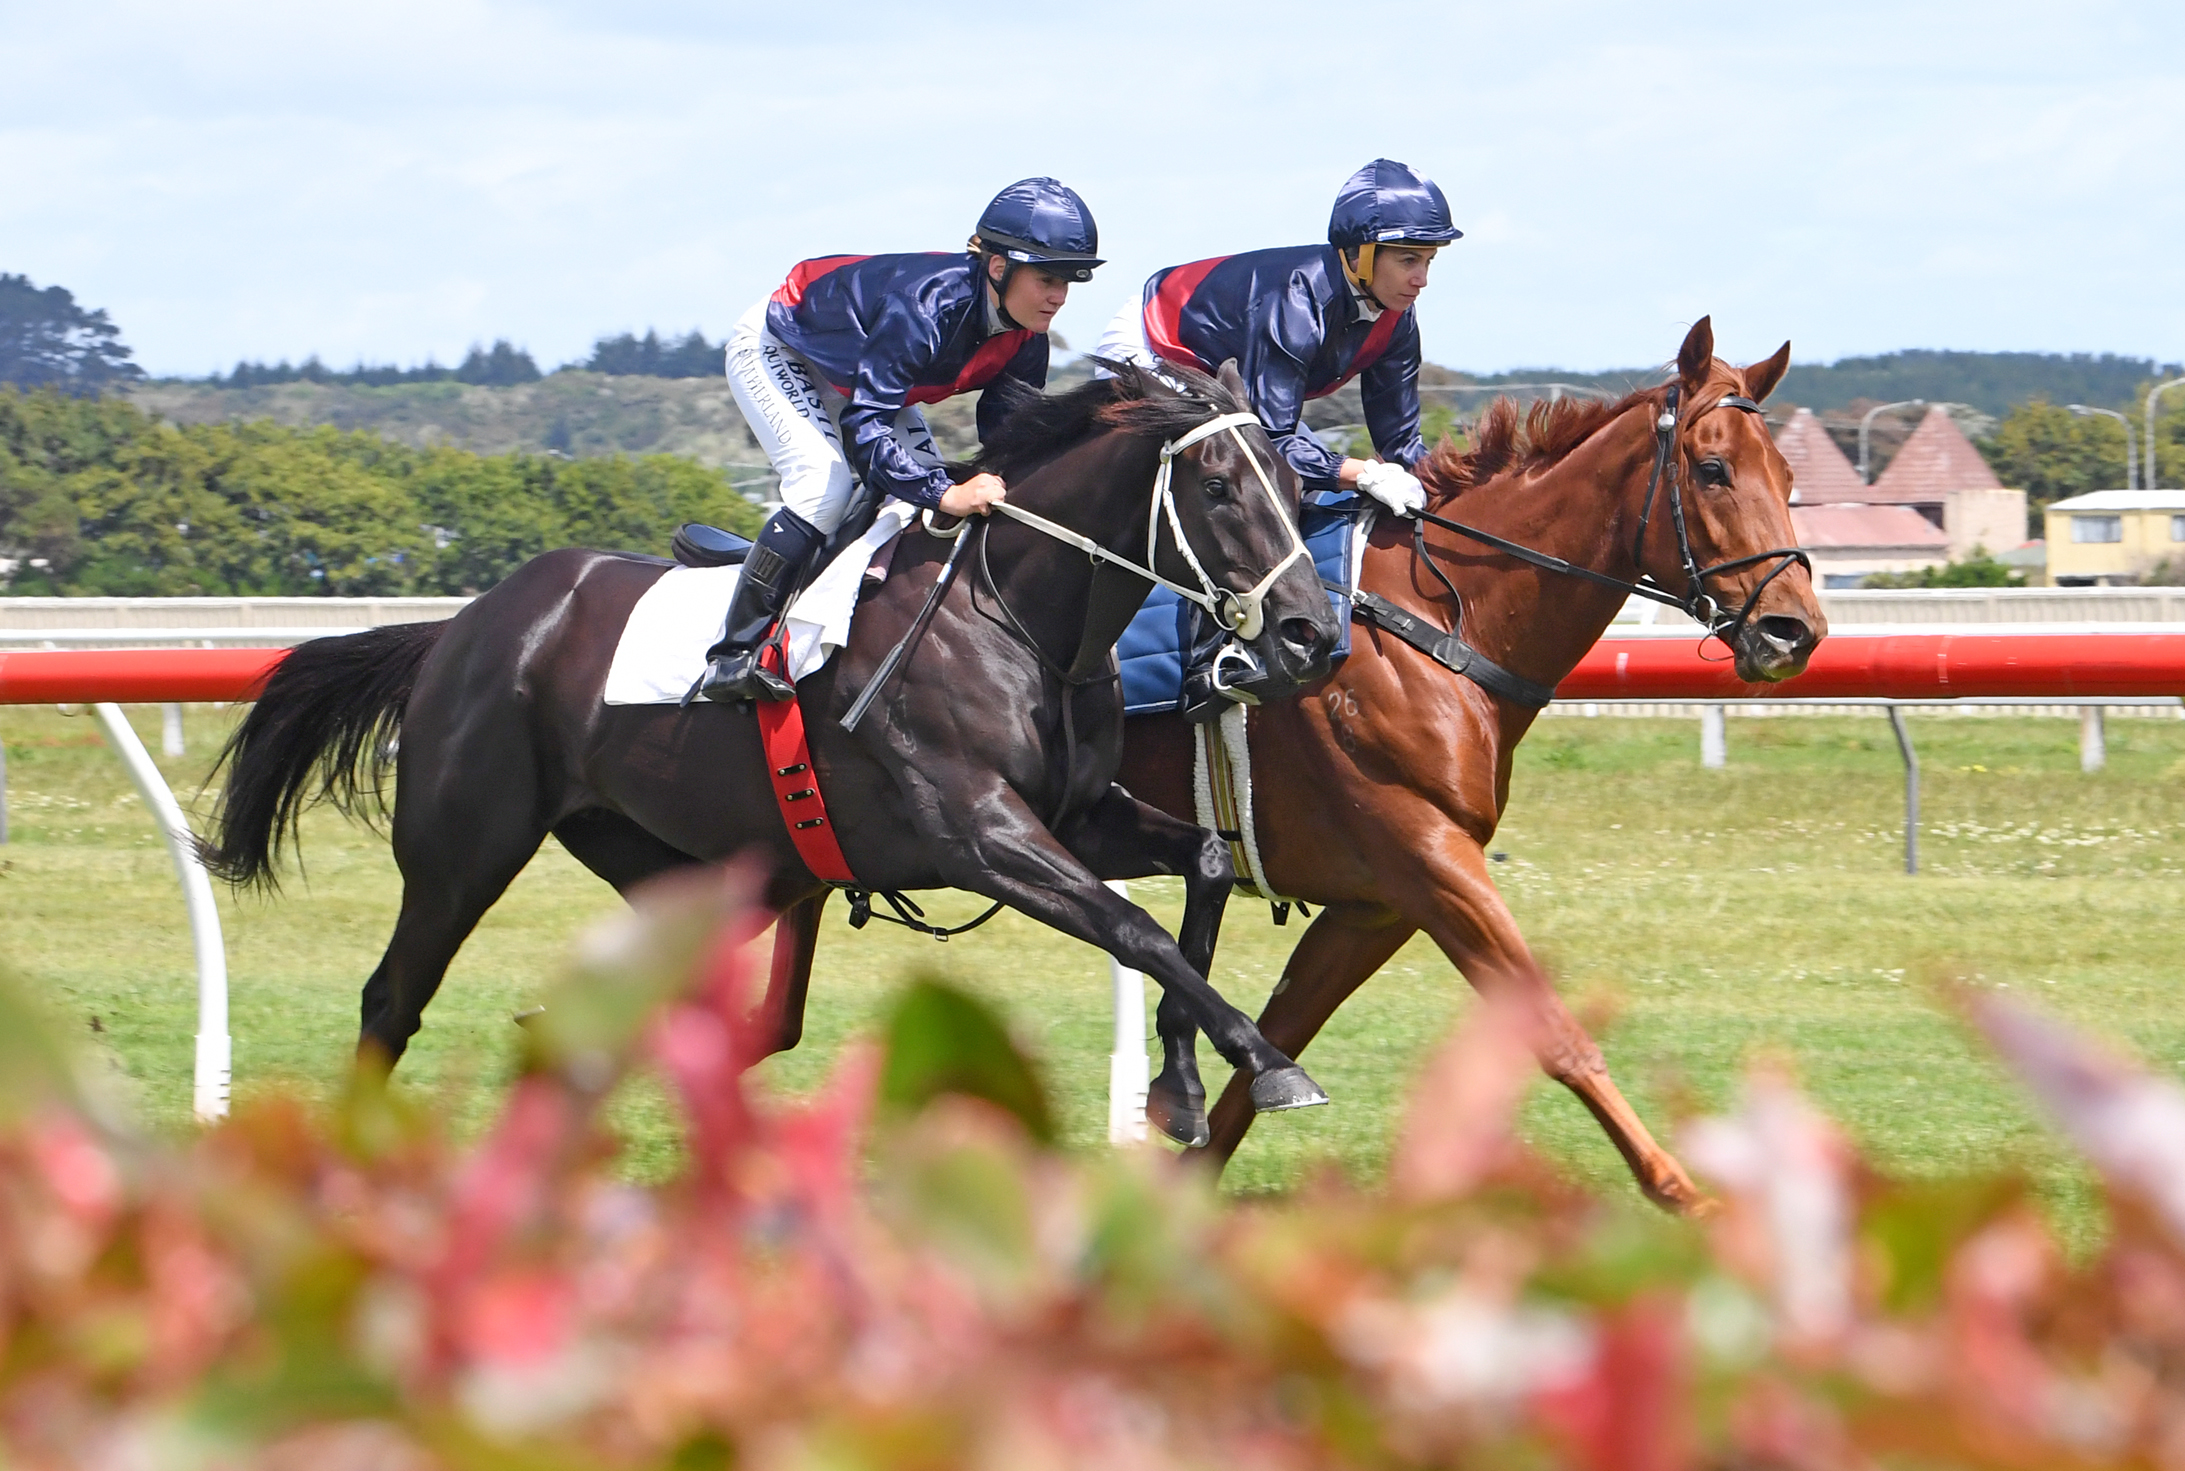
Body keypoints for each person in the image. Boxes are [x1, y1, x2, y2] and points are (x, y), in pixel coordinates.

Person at [695, 178, 1103, 703]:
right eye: (1047, 278)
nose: (1059, 297)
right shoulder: (926, 308)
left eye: (1069, 282)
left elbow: (1008, 441)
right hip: (783, 348)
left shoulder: (1027, 339)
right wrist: (944, 493)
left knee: (923, 494)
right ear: (999, 267)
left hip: (865, 376)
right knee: (823, 486)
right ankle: (730, 656)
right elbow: (865, 429)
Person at [1095, 158, 1460, 720]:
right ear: (1360, 255)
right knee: (1239, 487)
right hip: (1154, 350)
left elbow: (1403, 441)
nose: (1423, 279)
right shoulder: (1298, 297)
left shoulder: (1396, 319)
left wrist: (1446, 491)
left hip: (1226, 380)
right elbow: (1273, 439)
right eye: (1409, 260)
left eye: (1429, 261)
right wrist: (1359, 471)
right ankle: (1208, 663)